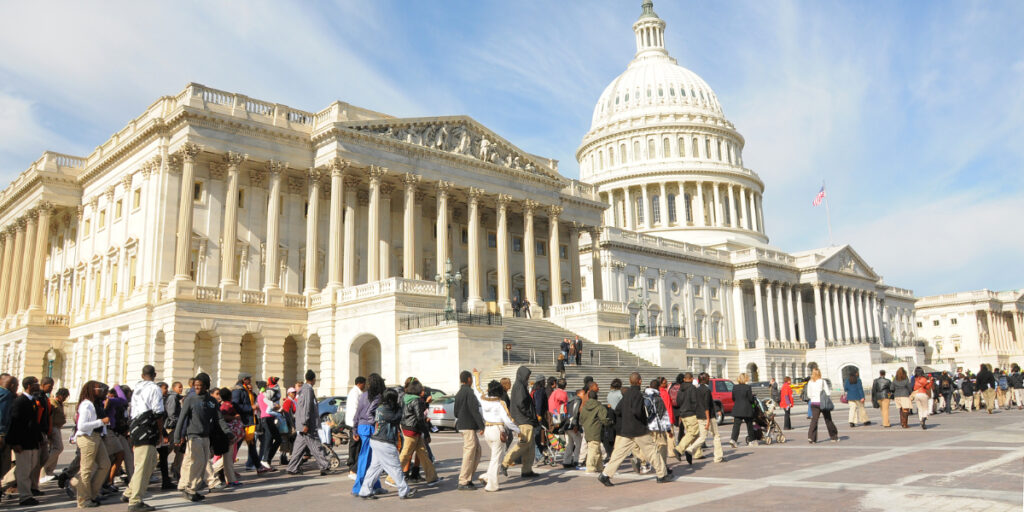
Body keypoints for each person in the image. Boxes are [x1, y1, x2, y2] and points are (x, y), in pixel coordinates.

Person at [597, 372, 671, 486]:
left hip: (626, 430)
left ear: (630, 381)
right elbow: (637, 412)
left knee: (619, 454)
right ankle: (662, 475)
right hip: (639, 430)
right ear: (640, 381)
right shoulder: (638, 394)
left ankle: (605, 475)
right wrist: (644, 417)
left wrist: (627, 418)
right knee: (652, 452)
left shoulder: (626, 394)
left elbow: (617, 410)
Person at [357, 389, 416, 500]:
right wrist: (402, 406)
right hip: (385, 443)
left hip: (376, 441)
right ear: (391, 399)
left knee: (374, 468)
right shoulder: (387, 410)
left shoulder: (380, 408)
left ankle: (365, 491)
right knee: (396, 468)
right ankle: (404, 491)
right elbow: (397, 417)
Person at [125, 365, 165, 512]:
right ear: (155, 374)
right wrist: (160, 433)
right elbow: (158, 413)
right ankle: (135, 500)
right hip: (147, 428)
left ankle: (129, 491)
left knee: (150, 461)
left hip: (136, 427)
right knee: (143, 465)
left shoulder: (137, 388)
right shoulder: (155, 388)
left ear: (142, 375)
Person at [174, 373, 218, 502]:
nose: (197, 388)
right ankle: (191, 488)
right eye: (196, 386)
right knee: (197, 463)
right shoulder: (191, 399)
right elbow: (182, 419)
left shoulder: (209, 400)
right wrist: (178, 436)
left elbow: (216, 417)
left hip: (204, 435)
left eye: (200, 385)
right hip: (193, 436)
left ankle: (184, 485)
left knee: (194, 462)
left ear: (206, 386)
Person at [476, 379, 519, 491]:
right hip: (497, 431)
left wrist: (476, 377)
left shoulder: (484, 400)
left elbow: (477, 390)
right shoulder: (500, 403)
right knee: (496, 459)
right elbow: (508, 421)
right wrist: (518, 430)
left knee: (495, 457)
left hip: (487, 430)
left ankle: (486, 476)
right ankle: (491, 485)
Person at [75, 380, 112, 508]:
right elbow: (82, 426)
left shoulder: (94, 404)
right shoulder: (86, 405)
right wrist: (101, 422)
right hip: (87, 437)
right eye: (98, 388)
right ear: (91, 390)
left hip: (96, 437)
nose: (101, 390)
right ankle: (83, 500)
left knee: (105, 464)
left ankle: (92, 494)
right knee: (86, 470)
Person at [287, 370, 331, 476]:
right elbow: (306, 408)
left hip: (304, 424)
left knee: (299, 447)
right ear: (313, 379)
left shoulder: (304, 389)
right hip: (308, 425)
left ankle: (292, 467)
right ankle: (324, 465)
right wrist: (305, 423)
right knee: (315, 445)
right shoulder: (308, 390)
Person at [7, 376, 42, 506]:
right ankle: (25, 496)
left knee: (28, 468)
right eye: (36, 384)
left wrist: (38, 439)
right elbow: (15, 423)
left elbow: (34, 423)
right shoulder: (20, 401)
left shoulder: (32, 401)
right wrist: (15, 442)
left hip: (32, 441)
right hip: (22, 442)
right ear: (29, 386)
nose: (38, 386)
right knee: (24, 471)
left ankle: (4, 484)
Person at [397, 379, 439, 485]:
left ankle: (432, 477)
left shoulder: (405, 398)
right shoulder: (417, 400)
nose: (423, 391)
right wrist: (427, 434)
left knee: (423, 455)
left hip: (407, 428)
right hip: (413, 430)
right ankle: (392, 478)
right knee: (405, 455)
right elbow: (420, 419)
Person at [501, 366, 539, 478]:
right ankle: (505, 463)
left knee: (530, 447)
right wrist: (529, 414)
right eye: (527, 376)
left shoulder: (521, 386)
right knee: (524, 444)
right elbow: (521, 404)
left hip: (526, 420)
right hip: (524, 420)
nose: (528, 378)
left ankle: (527, 470)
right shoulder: (519, 387)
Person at [351, 373, 385, 496]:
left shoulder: (364, 395)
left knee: (372, 458)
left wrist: (355, 429)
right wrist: (375, 422)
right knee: (366, 458)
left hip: (362, 427)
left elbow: (357, 413)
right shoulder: (378, 397)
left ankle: (375, 485)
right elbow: (371, 414)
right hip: (369, 428)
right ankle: (358, 487)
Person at [454, 370, 485, 489]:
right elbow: (474, 410)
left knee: (477, 451)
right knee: (469, 453)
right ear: (468, 379)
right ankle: (463, 481)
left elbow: (456, 412)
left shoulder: (459, 393)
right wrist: (481, 426)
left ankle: (468, 478)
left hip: (464, 426)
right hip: (468, 427)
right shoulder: (469, 392)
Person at [229, 374, 259, 472]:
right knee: (236, 446)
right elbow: (236, 405)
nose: (251, 381)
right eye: (249, 379)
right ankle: (226, 468)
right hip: (243, 422)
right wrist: (251, 408)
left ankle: (258, 466)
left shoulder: (245, 390)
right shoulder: (238, 390)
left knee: (252, 444)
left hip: (248, 421)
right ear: (244, 380)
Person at [692, 373, 724, 463]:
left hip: (699, 416)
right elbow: (707, 405)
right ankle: (718, 457)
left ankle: (690, 449)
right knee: (716, 436)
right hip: (708, 416)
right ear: (705, 379)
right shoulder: (706, 390)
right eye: (708, 378)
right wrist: (708, 419)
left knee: (702, 437)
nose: (709, 380)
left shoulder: (696, 390)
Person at [41, 387, 69, 482]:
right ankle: (43, 468)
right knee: (58, 448)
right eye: (64, 396)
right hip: (53, 428)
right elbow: (49, 416)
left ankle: (49, 472)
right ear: (60, 395)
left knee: (55, 450)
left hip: (58, 427)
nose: (65, 398)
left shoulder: (60, 403)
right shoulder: (52, 402)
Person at [643, 379, 673, 467]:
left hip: (647, 426)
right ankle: (662, 466)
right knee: (662, 446)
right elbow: (664, 415)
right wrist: (668, 429)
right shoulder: (658, 398)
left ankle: (643, 461)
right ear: (658, 387)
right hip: (657, 426)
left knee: (651, 446)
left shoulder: (644, 396)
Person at [580, 389, 611, 473]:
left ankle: (599, 466)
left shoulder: (584, 407)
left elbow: (581, 419)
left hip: (587, 430)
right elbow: (604, 419)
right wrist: (610, 422)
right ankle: (590, 467)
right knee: (593, 450)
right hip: (596, 430)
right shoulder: (599, 407)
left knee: (596, 449)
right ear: (597, 397)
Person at [806, 368, 838, 443]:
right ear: (819, 373)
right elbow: (828, 393)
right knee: (828, 419)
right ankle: (833, 436)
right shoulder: (822, 381)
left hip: (814, 403)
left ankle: (811, 437)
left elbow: (809, 394)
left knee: (814, 420)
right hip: (822, 402)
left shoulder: (810, 382)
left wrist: (813, 397)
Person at [673, 372, 699, 464]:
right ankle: (679, 449)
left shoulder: (680, 389)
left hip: (683, 413)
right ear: (691, 379)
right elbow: (694, 401)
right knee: (693, 433)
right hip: (691, 413)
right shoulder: (692, 388)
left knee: (689, 433)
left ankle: (691, 452)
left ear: (684, 379)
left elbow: (678, 401)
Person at [345, 376, 366, 478]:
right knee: (354, 446)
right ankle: (352, 467)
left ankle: (354, 467)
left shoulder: (355, 392)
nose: (365, 386)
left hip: (354, 423)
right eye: (364, 384)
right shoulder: (355, 393)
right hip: (354, 423)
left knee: (356, 446)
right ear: (360, 383)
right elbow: (355, 409)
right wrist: (355, 427)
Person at [729, 373, 756, 448]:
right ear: (745, 379)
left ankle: (733, 439)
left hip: (737, 409)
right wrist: (753, 399)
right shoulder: (748, 387)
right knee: (749, 425)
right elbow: (750, 399)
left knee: (736, 426)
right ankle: (751, 441)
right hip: (747, 409)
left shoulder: (735, 387)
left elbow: (733, 398)